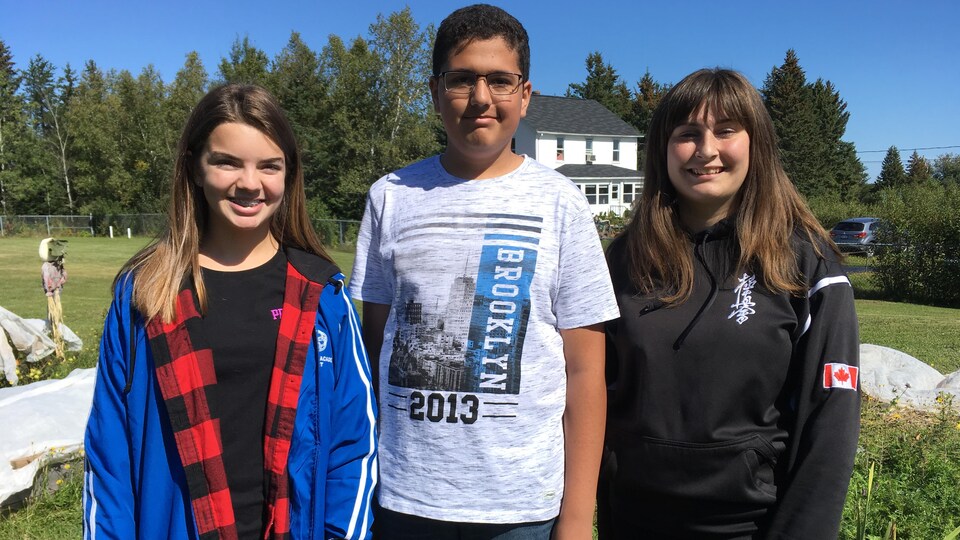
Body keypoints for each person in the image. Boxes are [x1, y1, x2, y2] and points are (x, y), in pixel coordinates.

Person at [348, 4, 619, 539]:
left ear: (525, 94)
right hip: (404, 497)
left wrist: (576, 518)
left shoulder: (561, 203)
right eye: (462, 79)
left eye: (499, 80)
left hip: (520, 508)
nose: (480, 98)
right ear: (434, 90)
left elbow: (586, 374)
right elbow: (375, 347)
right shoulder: (391, 197)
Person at [83, 84, 377, 540]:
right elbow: (109, 452)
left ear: (288, 176)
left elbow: (354, 445)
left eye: (269, 166)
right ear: (195, 168)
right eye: (227, 162)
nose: (249, 183)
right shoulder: (145, 292)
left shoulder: (322, 295)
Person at [599, 68, 860, 538]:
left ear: (755, 143)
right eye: (687, 134)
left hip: (749, 525)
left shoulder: (805, 264)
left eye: (725, 131)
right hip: (634, 520)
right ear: (663, 148)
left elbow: (831, 422)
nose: (706, 150)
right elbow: (595, 399)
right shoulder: (623, 260)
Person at [39, 237, 68, 359]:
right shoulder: (47, 266)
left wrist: (59, 282)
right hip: (53, 294)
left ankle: (58, 343)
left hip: (56, 293)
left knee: (56, 317)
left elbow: (63, 276)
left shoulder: (58, 265)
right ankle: (55, 342)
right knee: (53, 316)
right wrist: (51, 289)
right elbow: (47, 280)